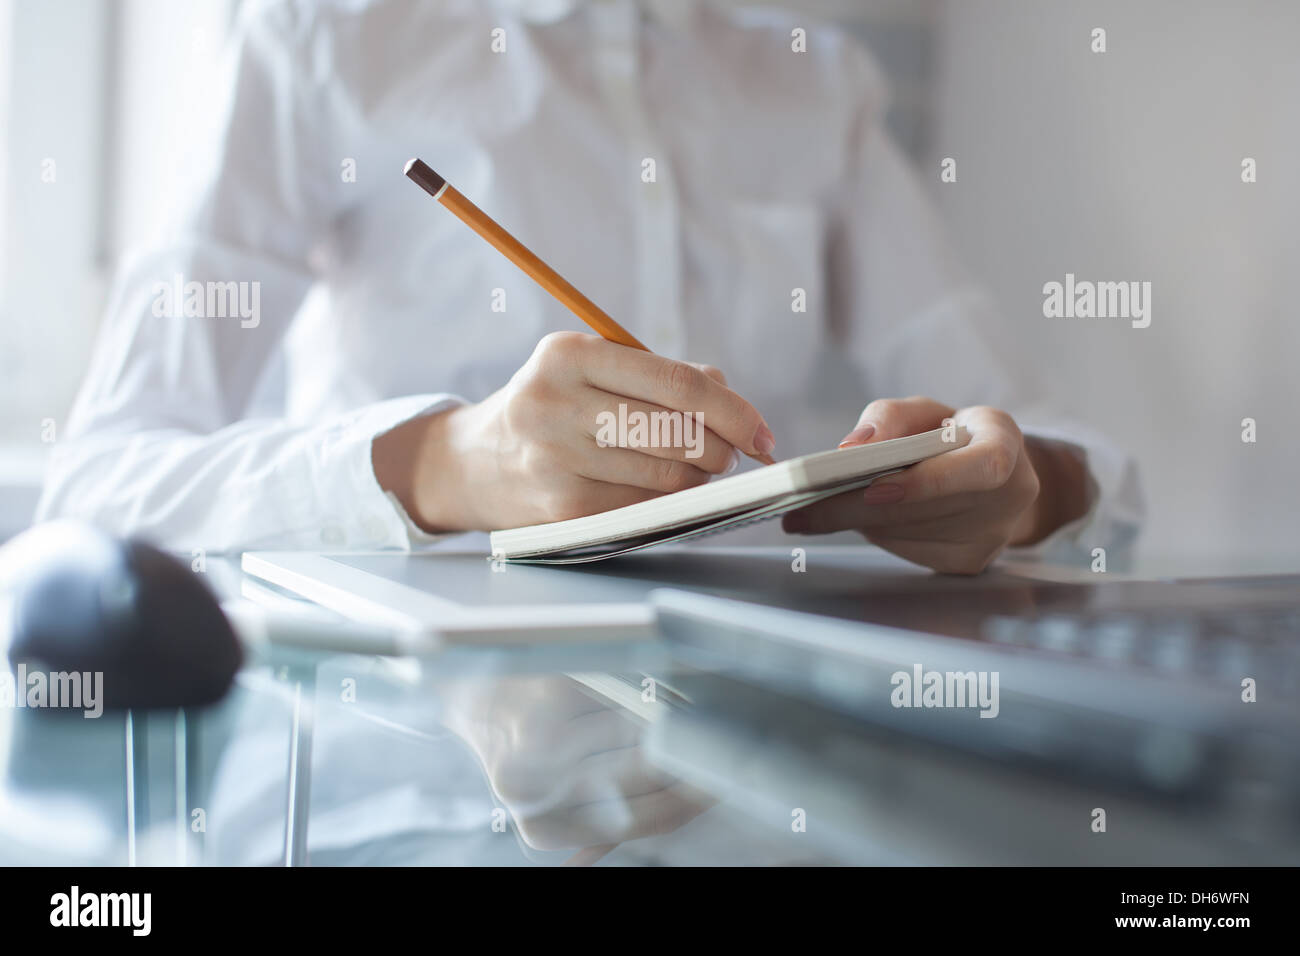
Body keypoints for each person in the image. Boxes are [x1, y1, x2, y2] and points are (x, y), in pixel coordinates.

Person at [37, 0, 1142, 573]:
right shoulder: (325, 41)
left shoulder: (812, 80)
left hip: (768, 773)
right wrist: (443, 463)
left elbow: (1069, 452)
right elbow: (95, 489)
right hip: (404, 794)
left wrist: (1020, 485)